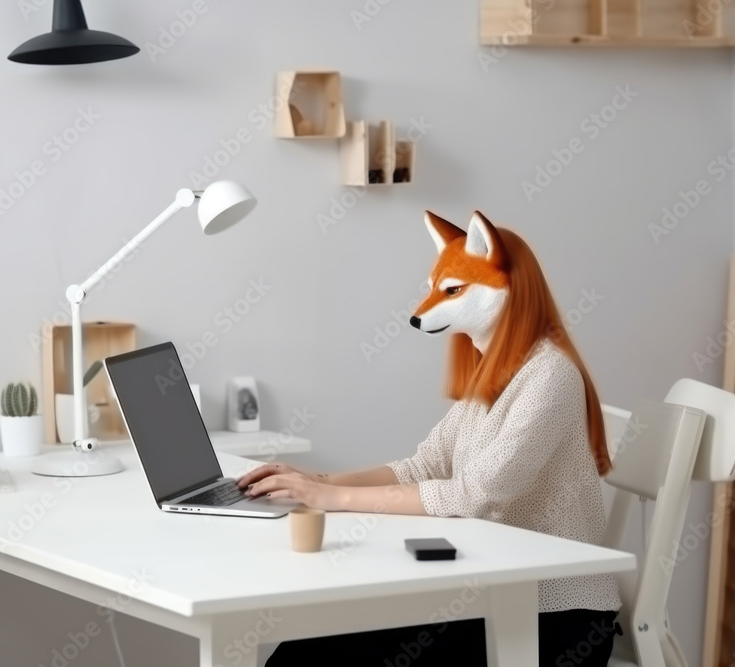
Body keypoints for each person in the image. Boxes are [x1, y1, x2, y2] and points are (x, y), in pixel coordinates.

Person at [239, 211, 622, 667]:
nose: (425, 308)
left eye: (452, 292)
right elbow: (424, 466)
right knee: (300, 652)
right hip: (493, 590)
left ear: (509, 288)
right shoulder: (493, 374)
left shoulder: (551, 376)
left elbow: (476, 495)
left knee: (307, 659)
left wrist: (331, 496)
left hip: (553, 617)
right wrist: (317, 480)